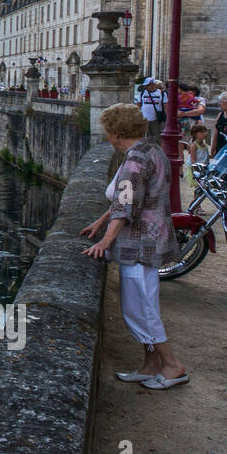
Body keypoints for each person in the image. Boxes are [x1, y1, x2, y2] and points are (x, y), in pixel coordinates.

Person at [80, 103, 187, 389]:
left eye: (107, 132)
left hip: (139, 244)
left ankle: (172, 366)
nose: (107, 137)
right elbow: (123, 199)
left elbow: (126, 207)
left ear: (115, 133)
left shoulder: (133, 162)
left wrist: (105, 241)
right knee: (142, 302)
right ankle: (151, 364)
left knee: (140, 306)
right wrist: (101, 221)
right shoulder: (151, 150)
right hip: (151, 240)